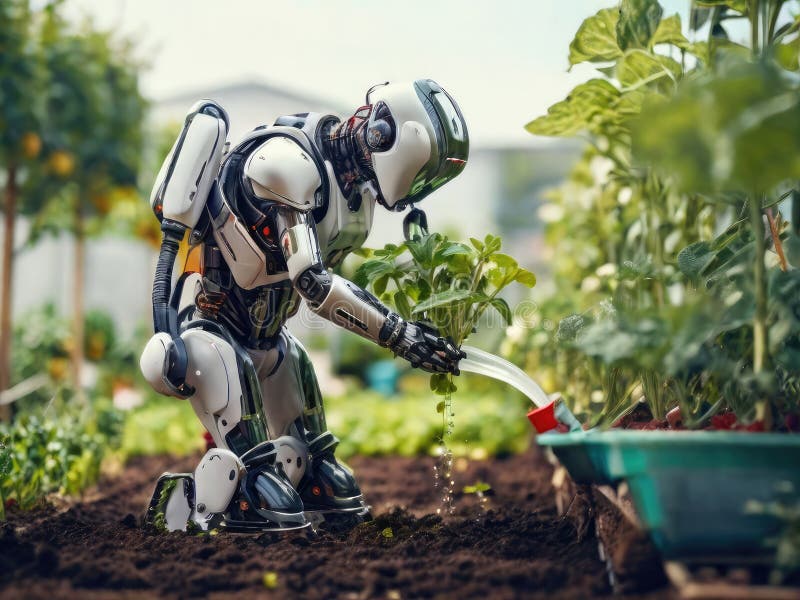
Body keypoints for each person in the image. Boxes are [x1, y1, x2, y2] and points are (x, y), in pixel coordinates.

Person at [140, 79, 469, 533]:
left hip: (270, 336)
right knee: (259, 481)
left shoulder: (351, 195)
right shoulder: (285, 165)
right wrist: (400, 334)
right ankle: (198, 508)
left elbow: (332, 283)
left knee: (316, 457)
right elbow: (313, 282)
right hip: (210, 331)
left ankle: (304, 475)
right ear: (393, 139)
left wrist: (406, 328)